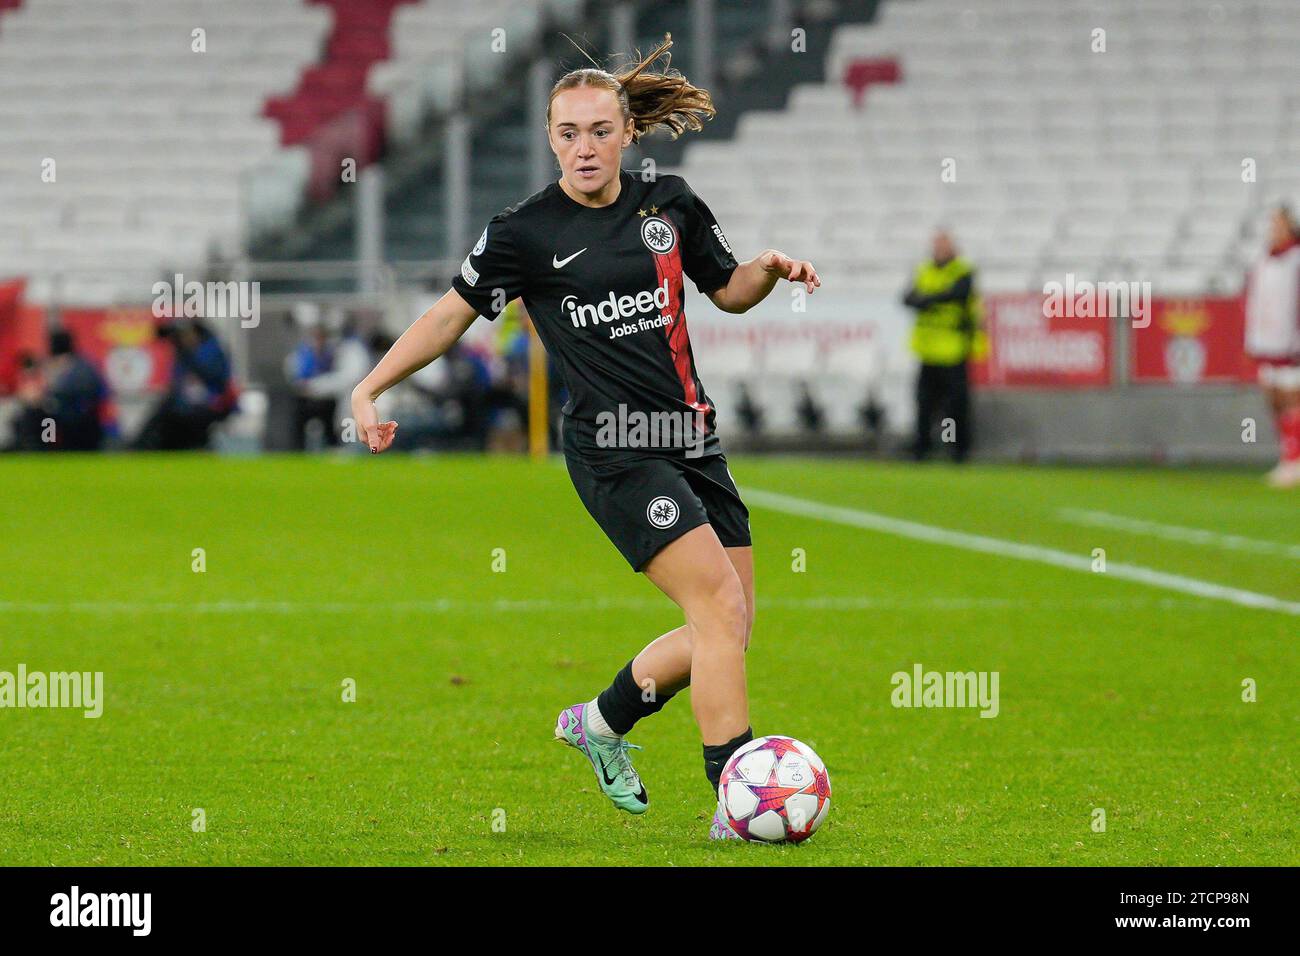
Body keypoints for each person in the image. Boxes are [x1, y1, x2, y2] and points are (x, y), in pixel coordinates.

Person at [350, 35, 820, 841]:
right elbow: (446, 317)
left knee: (730, 625)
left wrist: (769, 269)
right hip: (614, 447)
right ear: (549, 138)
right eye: (567, 133)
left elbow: (728, 291)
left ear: (627, 132)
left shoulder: (670, 204)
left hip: (691, 437)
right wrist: (369, 386)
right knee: (713, 603)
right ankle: (738, 798)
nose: (584, 147)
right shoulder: (524, 231)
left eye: (599, 130)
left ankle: (600, 723)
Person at [902, 230, 984, 463]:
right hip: (928, 349)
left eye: (943, 245)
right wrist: (932, 299)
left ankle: (958, 450)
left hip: (953, 350)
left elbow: (957, 294)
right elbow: (907, 298)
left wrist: (927, 299)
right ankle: (922, 449)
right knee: (924, 404)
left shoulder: (962, 271)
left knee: (955, 406)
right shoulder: (924, 270)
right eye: (936, 245)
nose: (938, 250)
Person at [1244, 205, 1300, 488]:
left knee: (1293, 399)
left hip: (1291, 343)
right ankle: (1287, 457)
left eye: (1278, 224)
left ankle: (1295, 460)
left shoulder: (1296, 259)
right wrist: (1251, 338)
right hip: (1266, 339)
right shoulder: (1263, 259)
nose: (1273, 229)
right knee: (1274, 399)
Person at [134, 320, 238, 450]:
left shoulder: (210, 350)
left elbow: (215, 378)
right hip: (185, 406)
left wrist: (189, 354)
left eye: (186, 334)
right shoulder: (182, 354)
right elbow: (177, 386)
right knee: (164, 413)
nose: (183, 339)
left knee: (178, 418)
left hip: (211, 404)